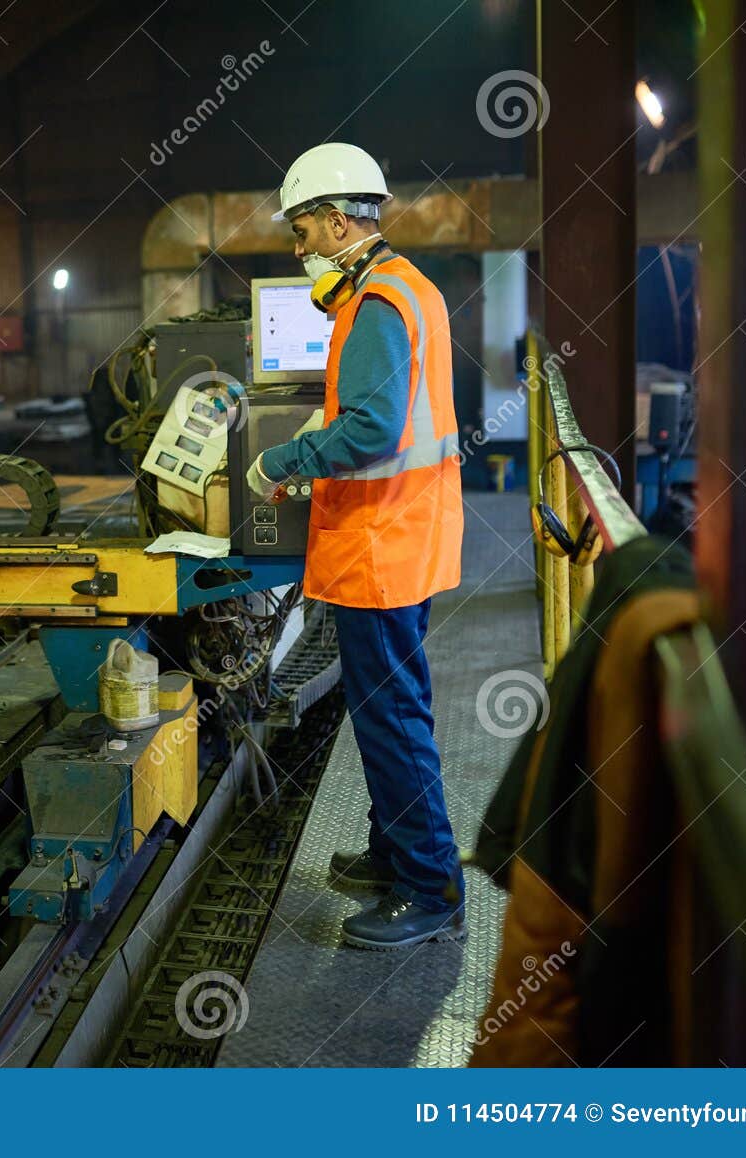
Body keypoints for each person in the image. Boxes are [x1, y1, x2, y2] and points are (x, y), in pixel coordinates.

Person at [247, 142, 466, 950]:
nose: (299, 246)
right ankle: (392, 852)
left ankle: (429, 887)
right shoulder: (408, 288)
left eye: (304, 229)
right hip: (409, 533)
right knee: (387, 711)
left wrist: (286, 460)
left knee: (392, 718)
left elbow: (373, 428)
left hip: (382, 544)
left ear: (339, 220)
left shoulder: (377, 302)